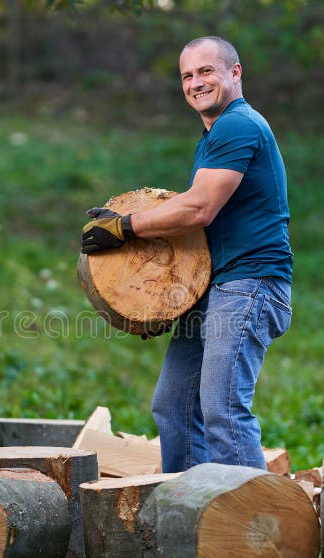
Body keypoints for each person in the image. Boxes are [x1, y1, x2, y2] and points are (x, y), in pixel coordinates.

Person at [81, 36, 292, 472]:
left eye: (206, 71)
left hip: (251, 283)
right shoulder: (213, 135)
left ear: (235, 73)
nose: (196, 83)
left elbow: (198, 208)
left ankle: (246, 529)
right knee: (174, 407)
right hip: (216, 287)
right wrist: (156, 304)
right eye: (187, 75)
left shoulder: (239, 124)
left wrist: (124, 226)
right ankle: (187, 516)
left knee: (223, 409)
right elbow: (200, 236)